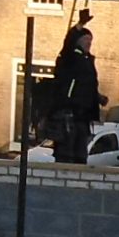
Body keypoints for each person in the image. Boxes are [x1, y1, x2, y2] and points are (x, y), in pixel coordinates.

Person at [49, 11, 103, 165]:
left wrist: (98, 98)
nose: (89, 43)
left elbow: (87, 86)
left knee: (80, 155)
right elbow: (68, 41)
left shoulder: (88, 61)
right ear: (78, 41)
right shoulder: (70, 57)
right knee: (66, 154)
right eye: (86, 40)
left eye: (90, 41)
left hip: (83, 116)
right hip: (68, 112)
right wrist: (80, 25)